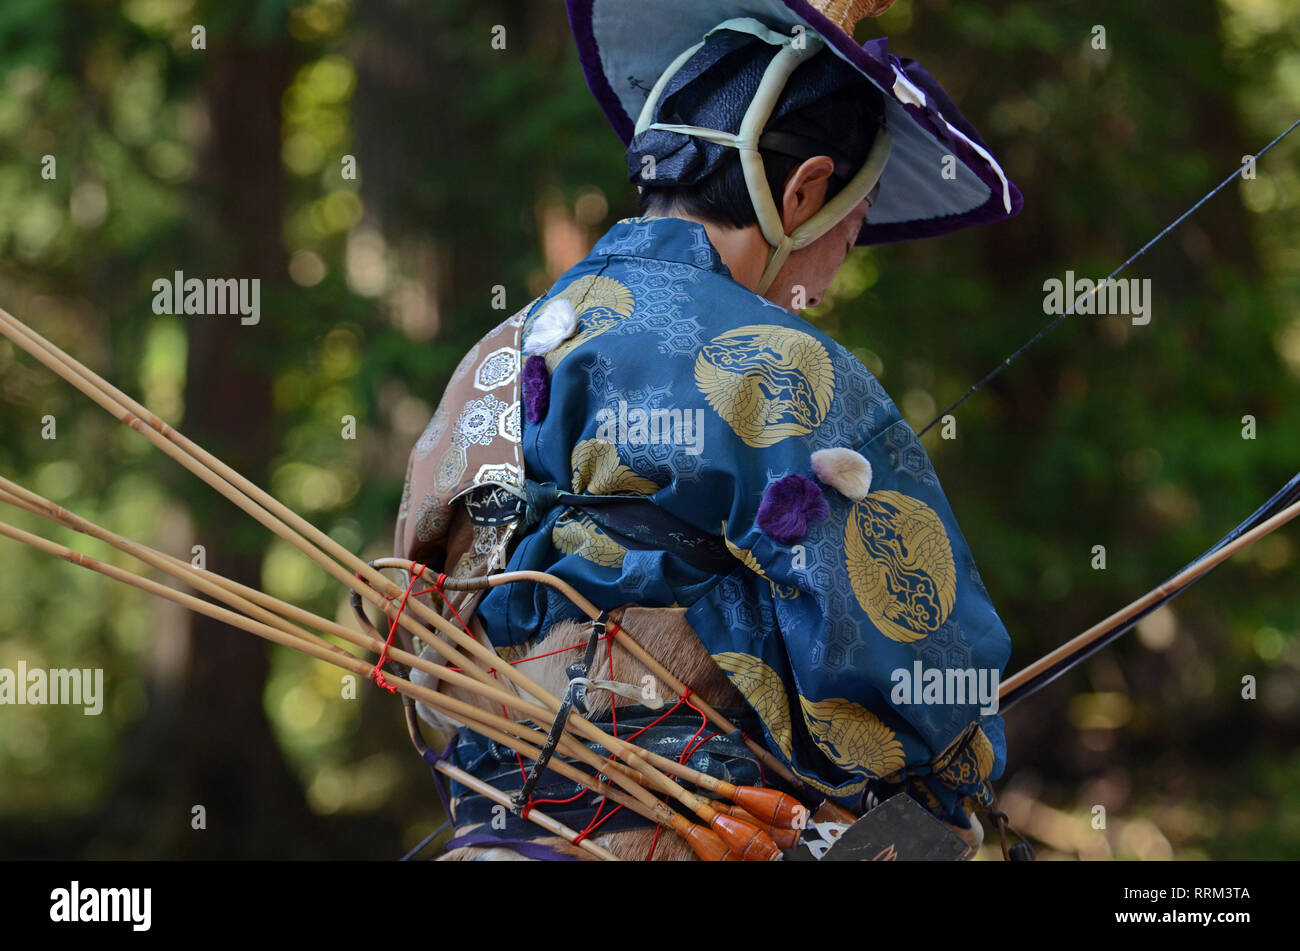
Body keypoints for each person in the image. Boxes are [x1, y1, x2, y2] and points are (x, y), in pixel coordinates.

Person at [395, 0, 1023, 859]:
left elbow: (410, 626)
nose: (843, 262)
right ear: (804, 192)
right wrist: (957, 783)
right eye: (854, 225)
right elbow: (920, 685)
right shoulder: (778, 366)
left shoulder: (495, 354)